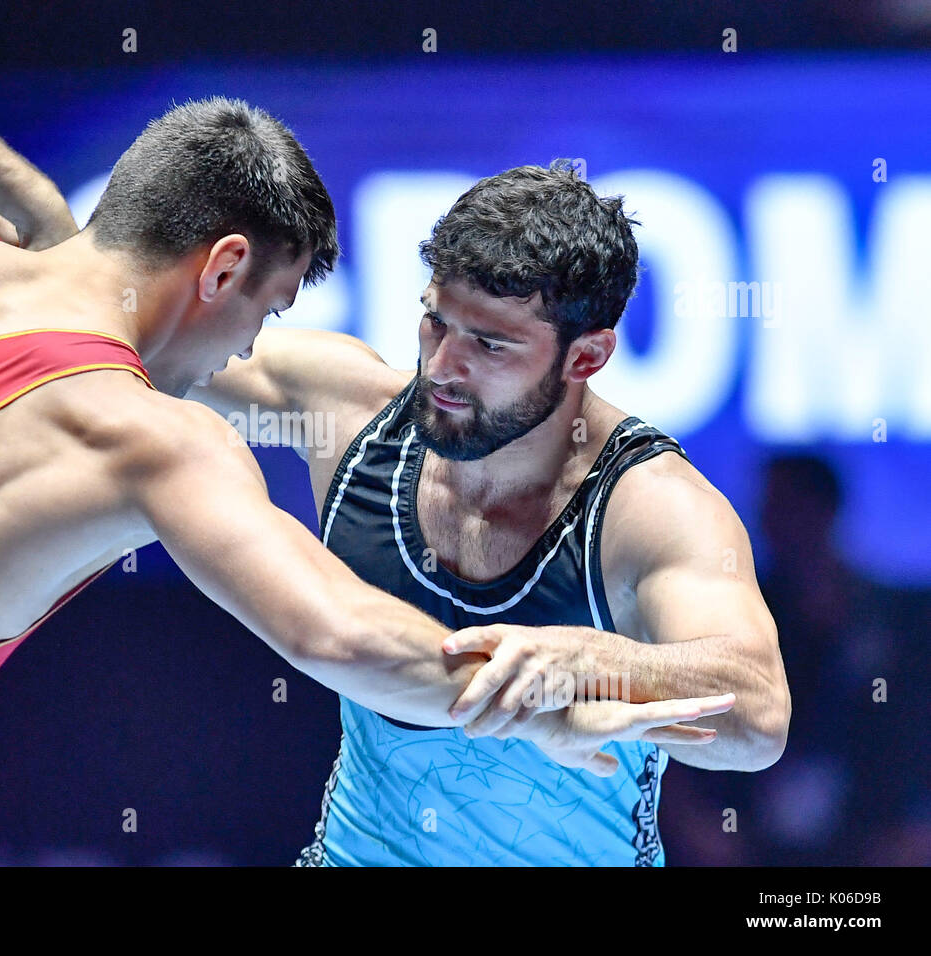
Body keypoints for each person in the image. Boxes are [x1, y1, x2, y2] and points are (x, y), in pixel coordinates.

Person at [0, 29, 729, 867]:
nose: (248, 349)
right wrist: (557, 693)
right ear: (220, 268)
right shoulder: (146, 438)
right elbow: (344, 633)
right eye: (265, 310)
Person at [193, 164, 790, 865]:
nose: (442, 365)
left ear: (587, 356)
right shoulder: (348, 413)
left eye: (489, 343)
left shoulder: (650, 507)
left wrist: (593, 659)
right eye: (434, 321)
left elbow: (758, 717)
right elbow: (139, 332)